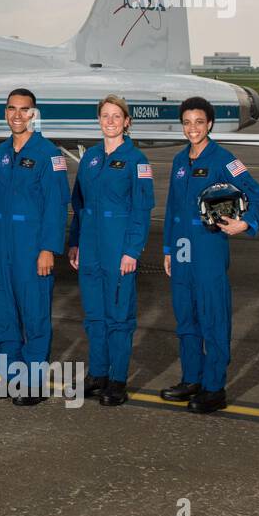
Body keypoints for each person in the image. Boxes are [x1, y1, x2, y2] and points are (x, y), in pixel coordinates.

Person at [159, 95, 259, 413]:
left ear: (209, 124)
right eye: (187, 122)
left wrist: (245, 224)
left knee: (213, 318)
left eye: (199, 122)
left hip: (208, 247)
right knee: (186, 319)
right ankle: (192, 378)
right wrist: (167, 249)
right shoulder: (181, 161)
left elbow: (258, 195)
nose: (192, 128)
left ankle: (213, 387)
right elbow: (172, 210)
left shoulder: (224, 159)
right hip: (181, 250)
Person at [0, 88, 70, 405]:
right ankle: (10, 378)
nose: (17, 115)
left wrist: (48, 248)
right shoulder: (0, 154)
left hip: (32, 245)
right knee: (3, 315)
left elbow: (57, 205)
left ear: (33, 113)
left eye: (24, 109)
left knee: (34, 315)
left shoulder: (49, 154)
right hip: (2, 243)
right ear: (6, 112)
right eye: (11, 109)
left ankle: (33, 384)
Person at [65, 95, 154, 407]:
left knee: (119, 317)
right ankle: (98, 374)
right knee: (94, 317)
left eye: (117, 116)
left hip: (118, 250)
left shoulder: (137, 161)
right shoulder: (90, 158)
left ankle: (117, 380)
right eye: (106, 116)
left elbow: (142, 210)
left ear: (127, 121)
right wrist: (74, 242)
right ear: (99, 120)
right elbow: (80, 205)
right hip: (90, 248)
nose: (111, 121)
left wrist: (132, 250)